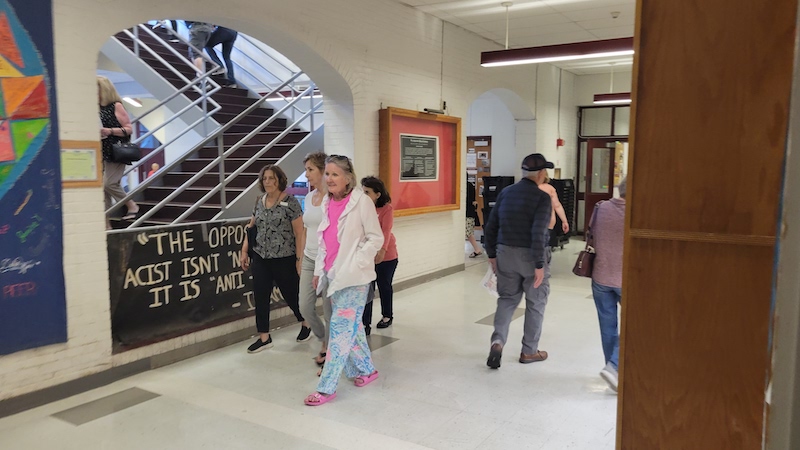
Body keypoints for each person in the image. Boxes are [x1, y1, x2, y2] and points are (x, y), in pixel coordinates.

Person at [305, 155, 384, 406]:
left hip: (355, 278)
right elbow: (323, 240)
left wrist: (358, 261)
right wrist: (319, 271)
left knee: (339, 331)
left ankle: (326, 387)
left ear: (348, 177)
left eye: (335, 174)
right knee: (353, 329)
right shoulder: (327, 202)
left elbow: (376, 238)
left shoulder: (361, 202)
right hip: (333, 275)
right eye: (327, 174)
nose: (329, 179)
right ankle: (367, 370)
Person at [483, 153, 553, 369]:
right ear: (541, 174)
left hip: (505, 253)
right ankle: (529, 351)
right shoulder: (542, 198)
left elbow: (491, 225)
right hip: (530, 256)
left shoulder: (506, 193)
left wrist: (492, 255)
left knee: (507, 300)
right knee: (536, 303)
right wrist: (539, 264)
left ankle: (497, 342)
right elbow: (538, 231)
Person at [241, 164, 313, 353]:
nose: (268, 182)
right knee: (261, 296)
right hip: (261, 257)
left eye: (272, 178)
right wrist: (244, 250)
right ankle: (264, 337)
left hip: (284, 258)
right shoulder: (259, 201)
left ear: (279, 180)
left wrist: (299, 259)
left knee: (291, 294)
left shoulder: (290, 202)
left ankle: (306, 322)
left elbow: (299, 233)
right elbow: (251, 227)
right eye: (265, 179)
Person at [590, 176, 627, 392]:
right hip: (626, 278)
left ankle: (613, 372)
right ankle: (614, 366)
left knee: (607, 326)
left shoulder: (600, 207)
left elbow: (592, 233)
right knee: (632, 324)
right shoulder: (636, 214)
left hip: (601, 276)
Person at [298, 152, 331, 370]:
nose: (307, 174)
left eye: (310, 170)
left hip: (328, 260)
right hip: (309, 258)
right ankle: (323, 337)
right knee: (305, 306)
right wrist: (300, 257)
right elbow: (304, 228)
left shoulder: (333, 199)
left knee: (329, 309)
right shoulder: (309, 198)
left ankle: (329, 346)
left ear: (321, 170)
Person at [98, 76, 139, 227]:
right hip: (102, 150)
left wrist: (109, 131)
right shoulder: (97, 108)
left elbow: (128, 129)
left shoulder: (116, 106)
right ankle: (106, 224)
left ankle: (131, 205)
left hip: (116, 150)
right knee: (103, 190)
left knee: (110, 184)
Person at [360, 176, 399, 334]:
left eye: (367, 192)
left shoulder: (386, 209)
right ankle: (365, 324)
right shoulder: (361, 208)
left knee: (384, 286)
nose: (364, 195)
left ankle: (387, 316)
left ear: (377, 194)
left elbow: (386, 230)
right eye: (362, 191)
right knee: (367, 290)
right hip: (367, 255)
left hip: (386, 255)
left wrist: (381, 250)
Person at [539, 172, 570, 236]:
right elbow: (557, 206)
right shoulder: (550, 188)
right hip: (548, 221)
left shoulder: (528, 188)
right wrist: (564, 221)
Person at [466, 177, 483, 257]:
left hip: (467, 212)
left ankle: (477, 249)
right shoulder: (471, 185)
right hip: (471, 211)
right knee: (469, 232)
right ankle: (477, 249)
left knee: (468, 233)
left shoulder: (464, 186)